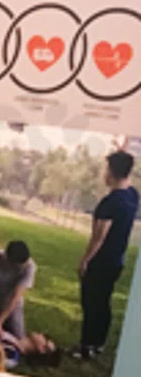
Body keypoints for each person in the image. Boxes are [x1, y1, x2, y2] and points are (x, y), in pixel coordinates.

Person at [77, 150, 137, 359]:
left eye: (106, 169)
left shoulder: (109, 203)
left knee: (91, 302)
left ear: (111, 172)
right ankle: (98, 343)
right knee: (103, 302)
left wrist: (85, 260)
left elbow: (99, 237)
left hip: (101, 262)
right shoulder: (132, 196)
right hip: (117, 260)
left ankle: (86, 346)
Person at [0, 239, 35, 342]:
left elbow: (16, 295)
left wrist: (0, 321)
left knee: (19, 336)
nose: (22, 267)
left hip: (12, 303)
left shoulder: (30, 267)